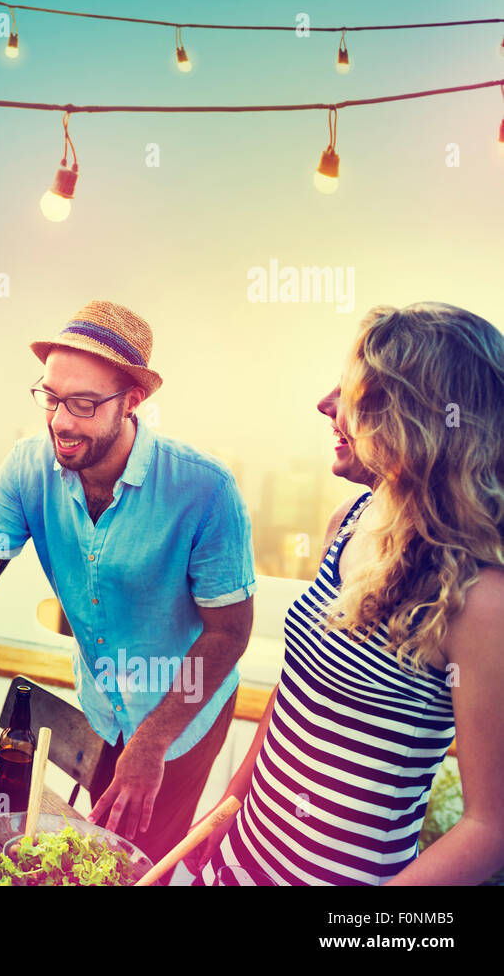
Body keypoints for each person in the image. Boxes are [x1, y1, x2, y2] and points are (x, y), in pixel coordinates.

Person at [0, 301, 256, 867]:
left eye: (85, 404)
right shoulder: (26, 467)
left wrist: (152, 742)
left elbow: (230, 634)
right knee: (88, 855)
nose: (62, 421)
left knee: (139, 866)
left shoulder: (205, 490)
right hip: (102, 703)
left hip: (182, 716)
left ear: (134, 401)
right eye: (52, 397)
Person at [186, 303, 504, 885]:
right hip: (239, 860)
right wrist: (225, 811)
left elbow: (492, 828)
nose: (326, 404)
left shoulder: (482, 598)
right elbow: (297, 690)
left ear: (411, 417)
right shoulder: (348, 519)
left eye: (351, 390)